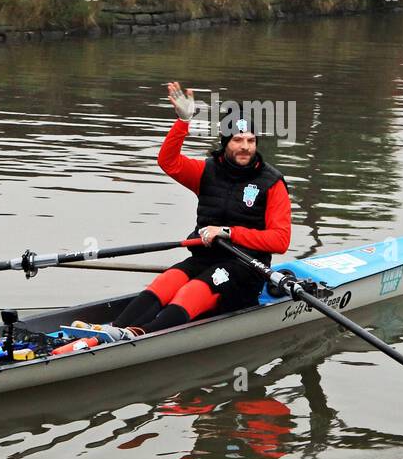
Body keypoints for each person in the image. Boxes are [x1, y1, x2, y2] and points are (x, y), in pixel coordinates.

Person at [91, 82, 291, 339]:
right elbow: (168, 162)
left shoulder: (271, 183)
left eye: (251, 141)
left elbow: (280, 240)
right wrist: (183, 122)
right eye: (238, 140)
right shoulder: (206, 171)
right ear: (225, 142)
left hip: (245, 268)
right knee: (167, 281)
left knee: (192, 290)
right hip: (204, 259)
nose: (245, 147)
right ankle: (112, 331)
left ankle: (138, 337)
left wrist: (229, 232)